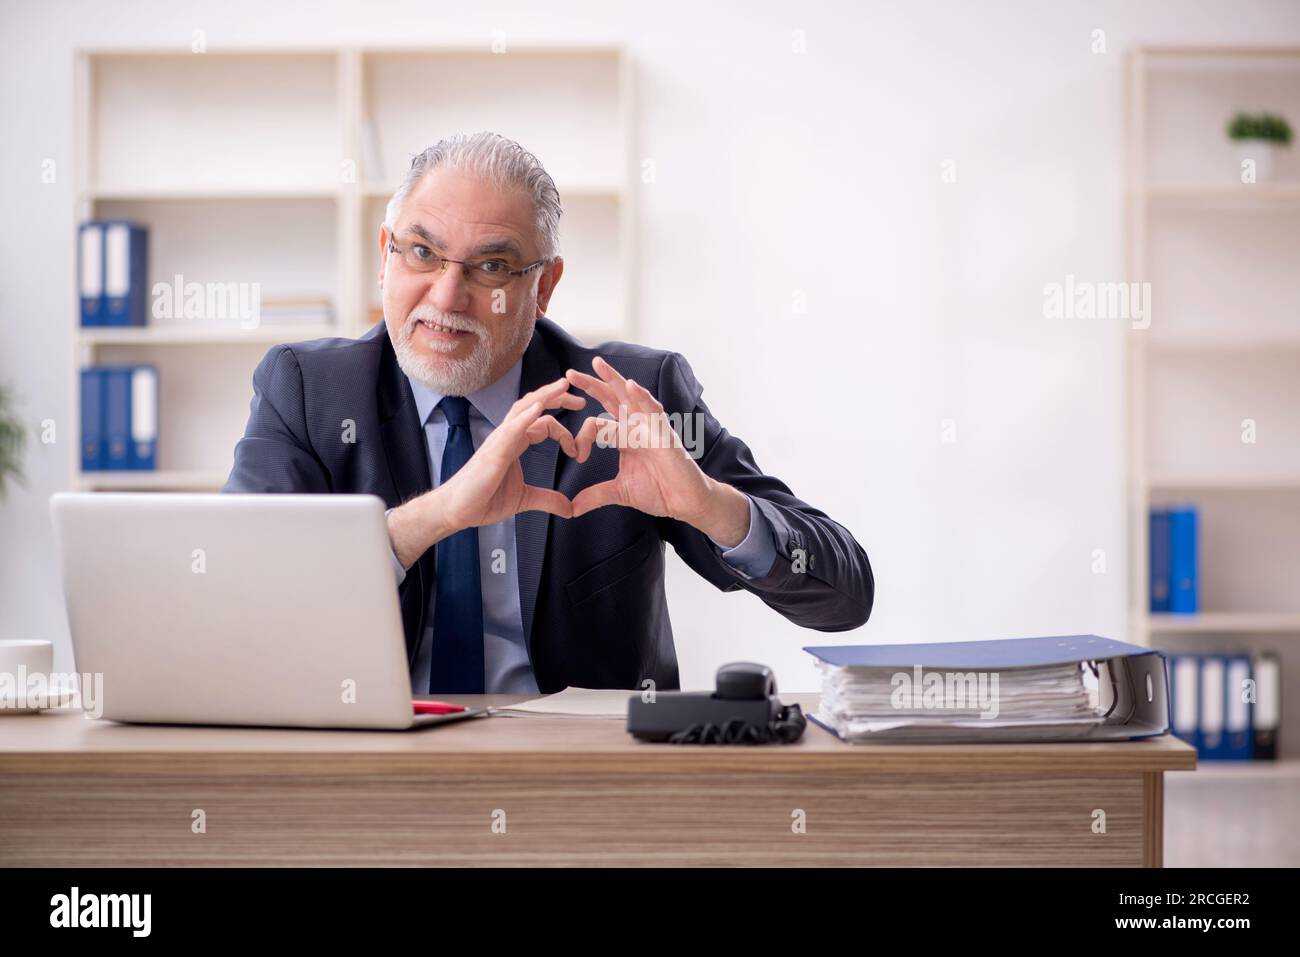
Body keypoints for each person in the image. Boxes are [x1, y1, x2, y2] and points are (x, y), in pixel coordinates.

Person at [225, 131, 873, 694]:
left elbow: (844, 596)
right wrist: (435, 516)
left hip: (578, 783)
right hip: (366, 771)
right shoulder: (309, 390)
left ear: (545, 287)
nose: (447, 295)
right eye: (422, 253)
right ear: (385, 253)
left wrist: (708, 504)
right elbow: (242, 607)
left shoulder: (631, 396)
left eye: (493, 266)